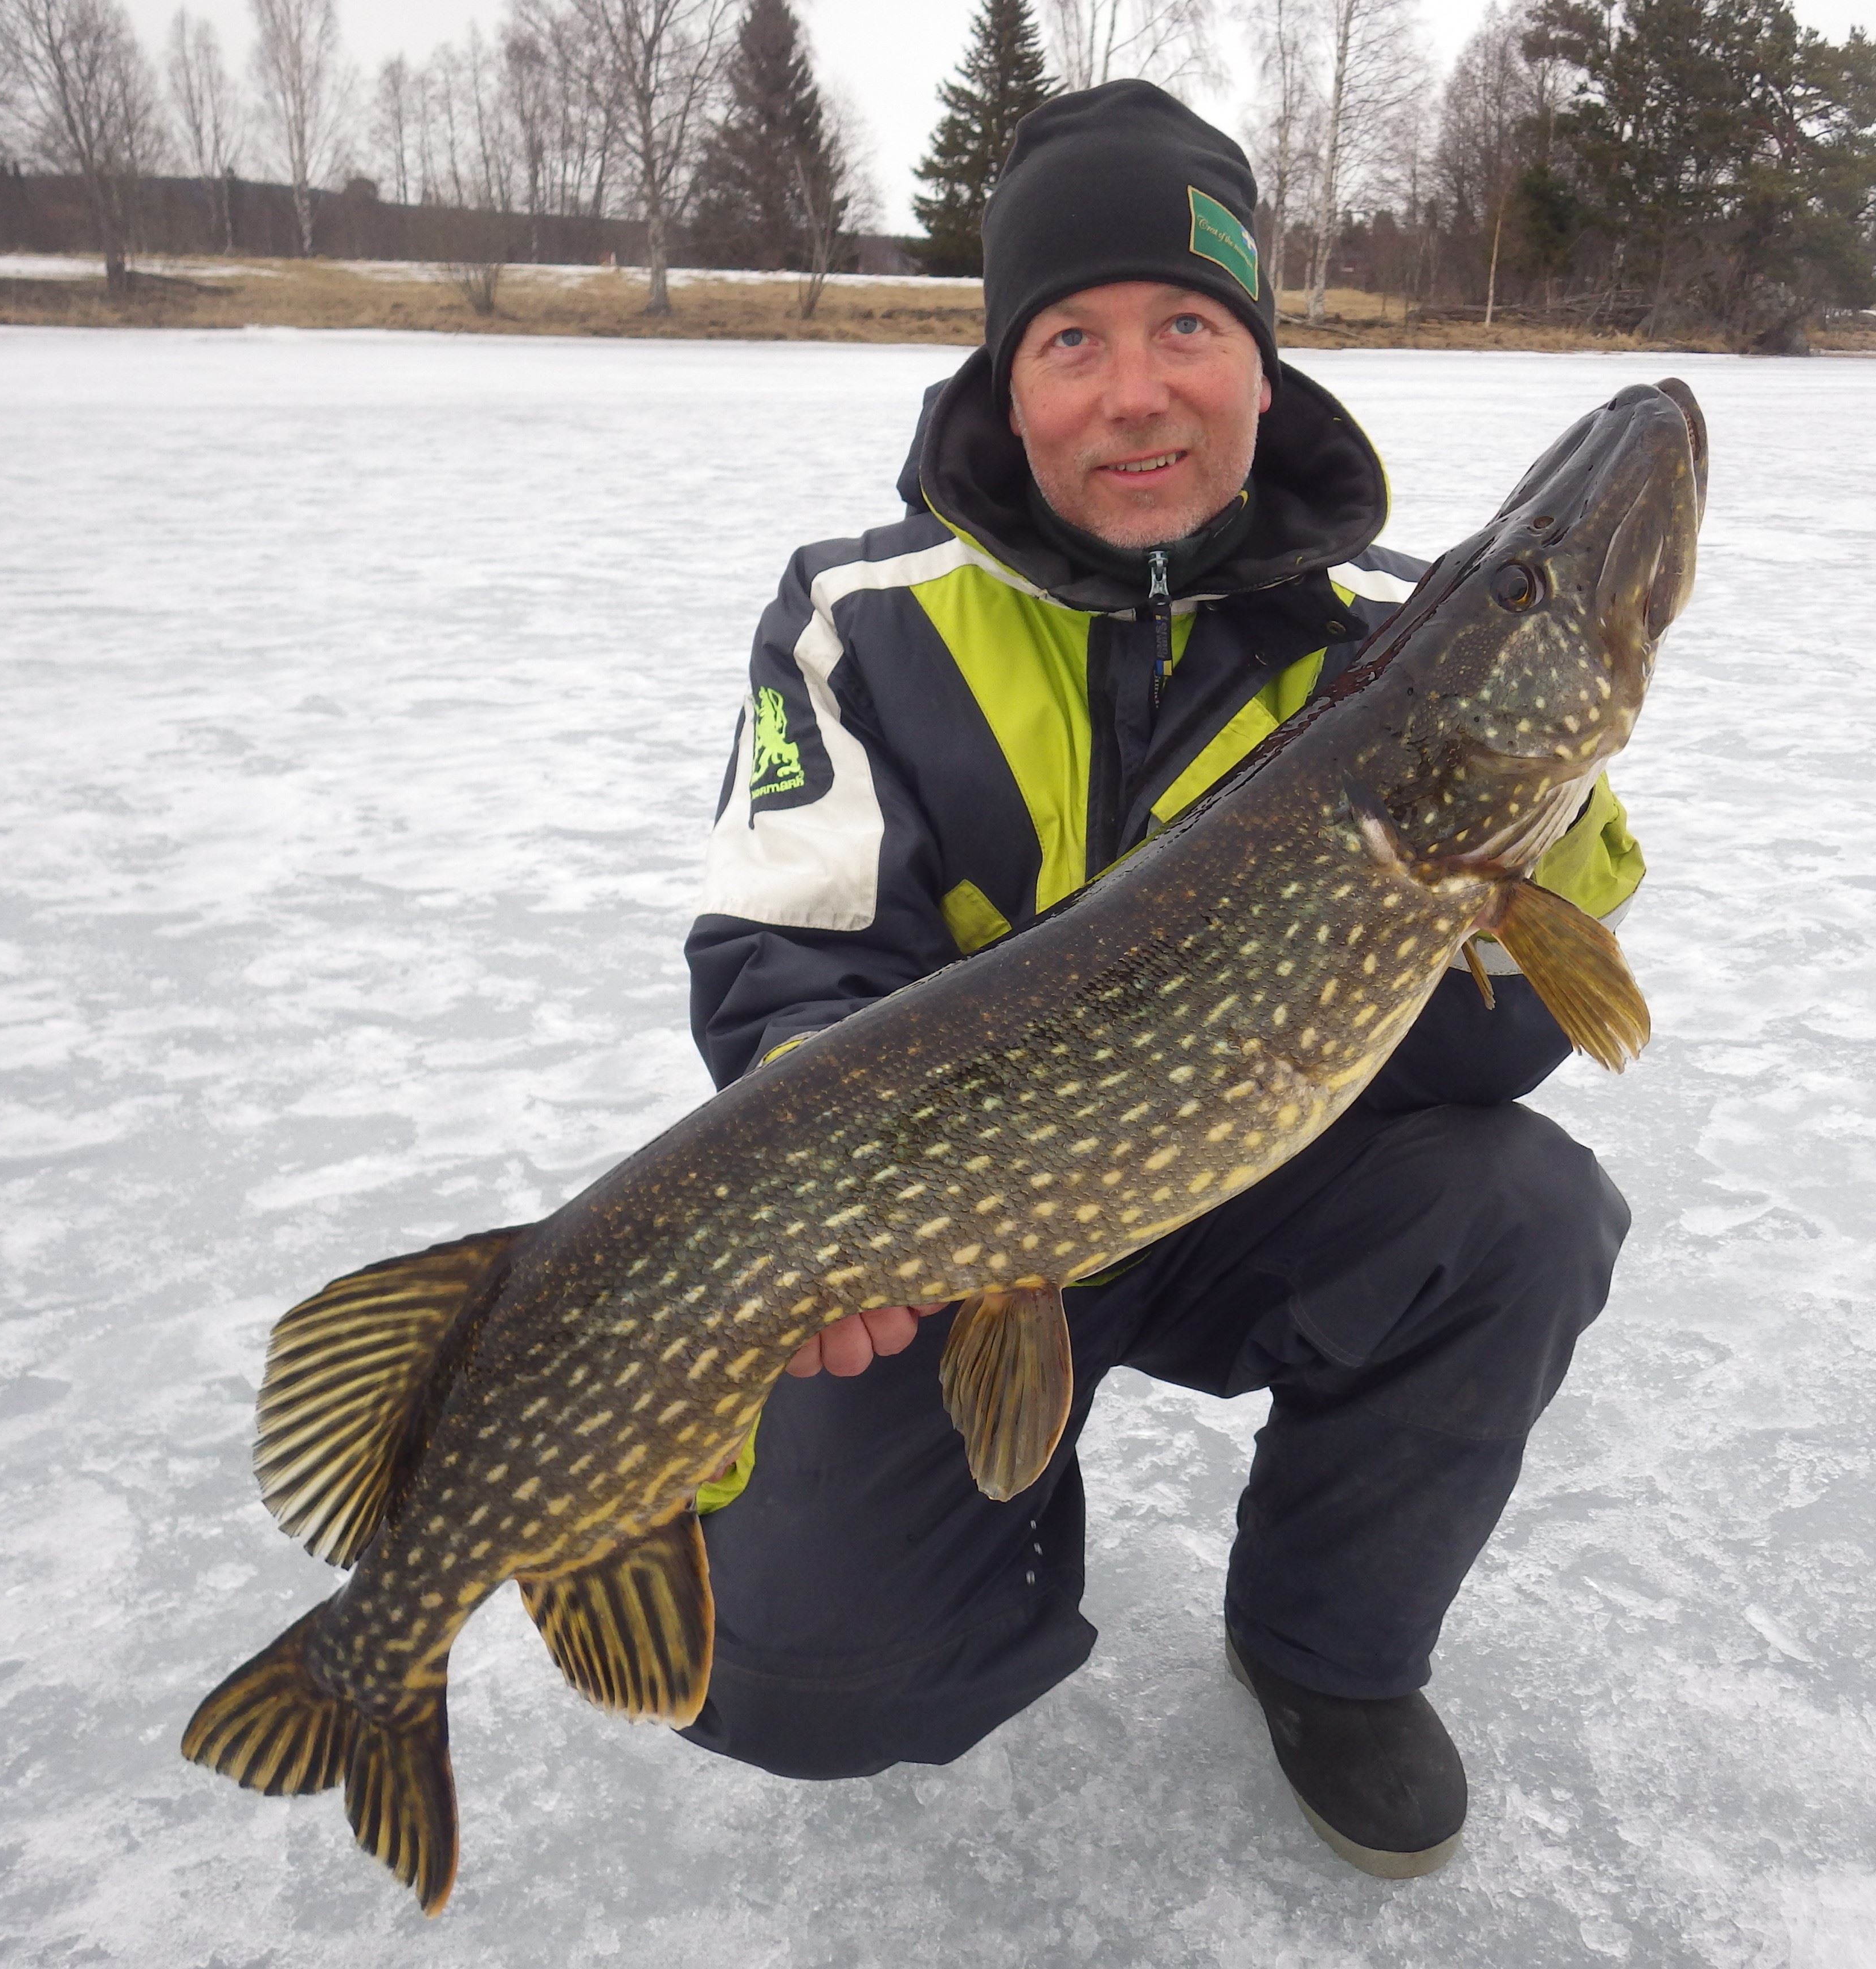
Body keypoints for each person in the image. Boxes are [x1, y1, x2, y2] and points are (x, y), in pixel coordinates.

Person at [679, 79, 1640, 1878]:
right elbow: (781, 970)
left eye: (1189, 325)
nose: (1137, 390)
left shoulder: (1395, 653)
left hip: (1242, 1189)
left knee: (1520, 1211)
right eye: (1073, 339)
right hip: (950, 1243)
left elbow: (1493, 1059)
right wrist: (848, 1227)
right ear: (1005, 381)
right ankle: (921, 1547)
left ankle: (1327, 1655)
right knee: (809, 1672)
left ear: (1260, 365)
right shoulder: (863, 623)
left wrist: (1532, 822)